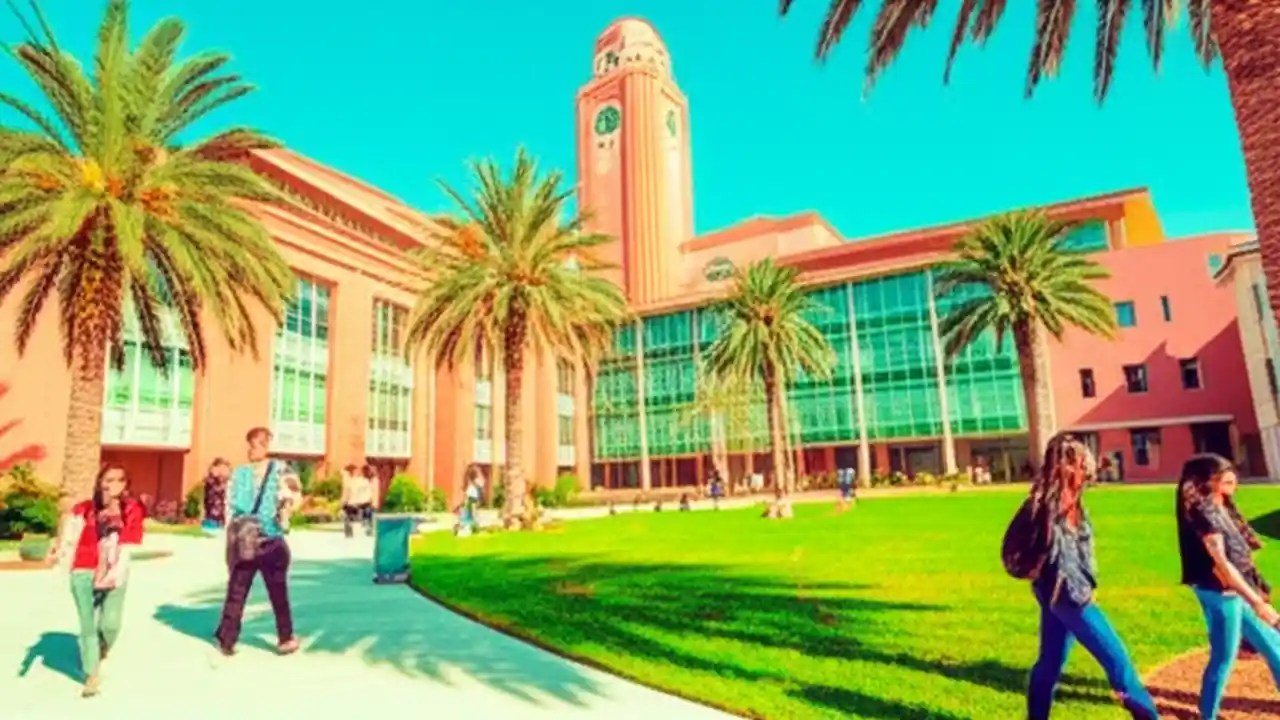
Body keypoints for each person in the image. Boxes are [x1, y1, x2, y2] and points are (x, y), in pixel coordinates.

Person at [1025, 433, 1158, 720]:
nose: (1089, 467)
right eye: (1083, 461)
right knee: (1120, 667)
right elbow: (1061, 560)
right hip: (1070, 598)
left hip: (1060, 594)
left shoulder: (1069, 499)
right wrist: (1080, 592)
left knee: (1049, 664)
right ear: (1067, 465)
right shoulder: (1054, 504)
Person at [1176, 453, 1280, 720]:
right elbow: (1221, 564)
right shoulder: (1203, 513)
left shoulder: (1220, 504)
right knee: (1224, 656)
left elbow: (1238, 553)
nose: (1231, 477)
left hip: (1237, 592)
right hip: (1222, 594)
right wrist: (1257, 602)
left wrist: (1255, 590)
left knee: (1274, 645)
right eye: (1223, 474)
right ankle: (1207, 716)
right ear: (1206, 481)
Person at [50, 463, 145, 697]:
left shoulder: (131, 509)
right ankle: (92, 675)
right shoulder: (85, 508)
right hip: (82, 569)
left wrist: (116, 572)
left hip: (115, 571)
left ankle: (102, 646)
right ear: (99, 481)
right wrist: (59, 550)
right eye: (108, 479)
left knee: (111, 623)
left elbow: (130, 542)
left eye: (119, 480)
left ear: (126, 484)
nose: (113, 485)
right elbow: (68, 530)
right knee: (87, 624)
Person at [214, 427, 299, 657]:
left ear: (266, 445)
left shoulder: (244, 474)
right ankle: (285, 637)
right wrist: (284, 519)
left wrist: (234, 532)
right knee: (275, 592)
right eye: (251, 444)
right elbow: (291, 501)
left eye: (255, 444)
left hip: (248, 539)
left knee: (239, 590)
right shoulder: (281, 471)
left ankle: (227, 638)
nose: (252, 449)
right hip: (270, 538)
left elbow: (229, 508)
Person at [341, 463, 375, 538]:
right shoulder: (365, 480)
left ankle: (349, 531)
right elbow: (370, 495)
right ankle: (369, 527)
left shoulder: (349, 481)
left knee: (345, 512)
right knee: (368, 512)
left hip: (353, 505)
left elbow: (346, 495)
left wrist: (342, 504)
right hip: (365, 504)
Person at [201, 458, 231, 532]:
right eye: (221, 468)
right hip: (211, 518)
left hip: (223, 518)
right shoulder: (211, 482)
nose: (223, 472)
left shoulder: (226, 484)